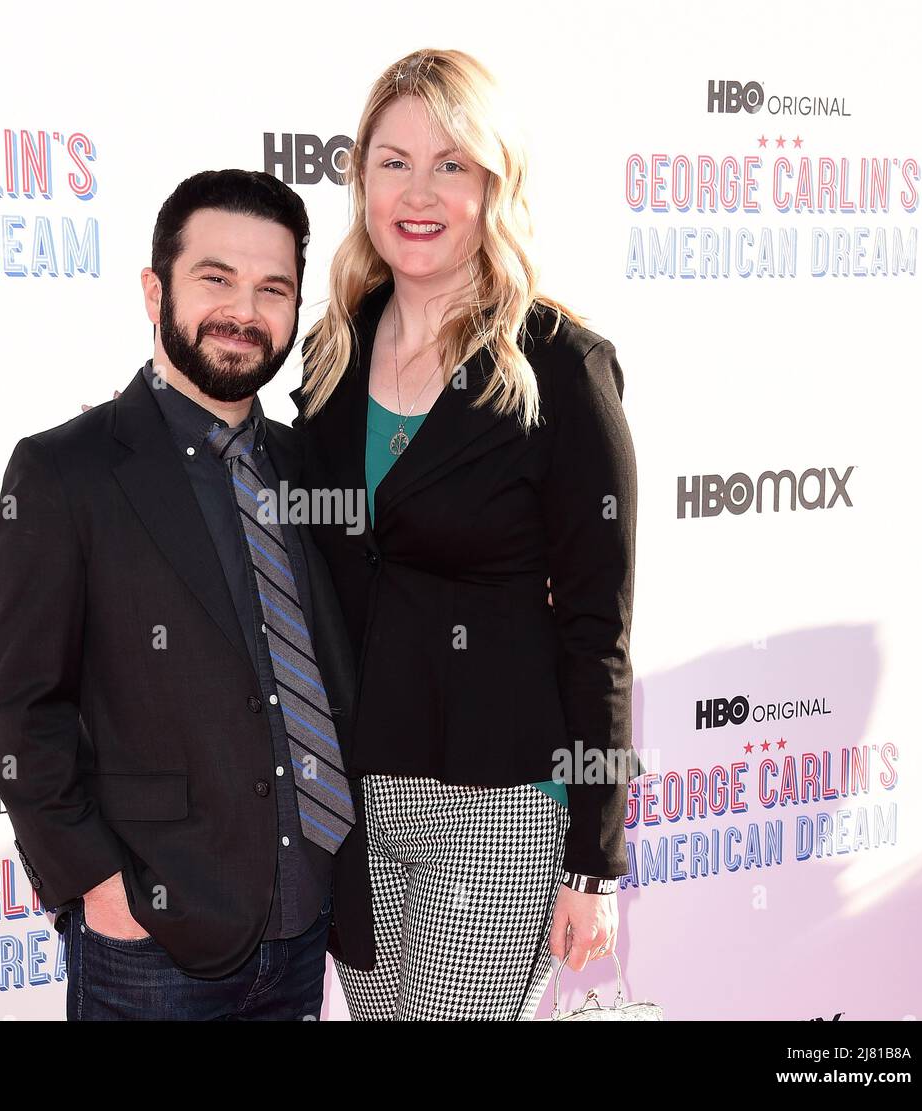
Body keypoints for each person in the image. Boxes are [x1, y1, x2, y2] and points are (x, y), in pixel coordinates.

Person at [291, 48, 641, 1020]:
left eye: (452, 164)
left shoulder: (560, 370)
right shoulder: (331, 354)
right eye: (393, 160)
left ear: (496, 183)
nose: (418, 190)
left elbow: (595, 630)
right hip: (352, 802)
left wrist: (593, 862)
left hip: (496, 801)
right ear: (361, 176)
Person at [0, 169, 372, 1020]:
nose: (245, 311)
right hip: (150, 943)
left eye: (274, 289)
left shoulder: (306, 467)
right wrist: (95, 884)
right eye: (216, 278)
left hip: (303, 927)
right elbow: (20, 707)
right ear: (155, 289)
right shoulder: (64, 472)